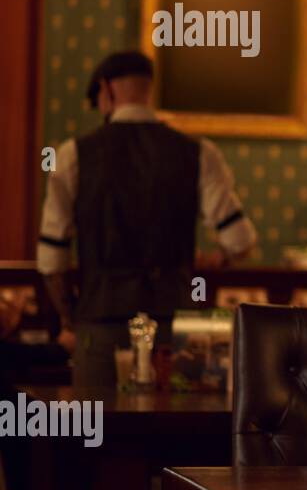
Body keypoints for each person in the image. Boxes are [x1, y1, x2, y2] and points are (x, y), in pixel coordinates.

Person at [36, 50, 257, 389]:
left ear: (107, 90)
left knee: (98, 435)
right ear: (148, 90)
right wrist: (213, 259)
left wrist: (71, 317)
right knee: (174, 434)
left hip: (100, 323)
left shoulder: (73, 155)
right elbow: (240, 241)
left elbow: (52, 260)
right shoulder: (198, 152)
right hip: (177, 328)